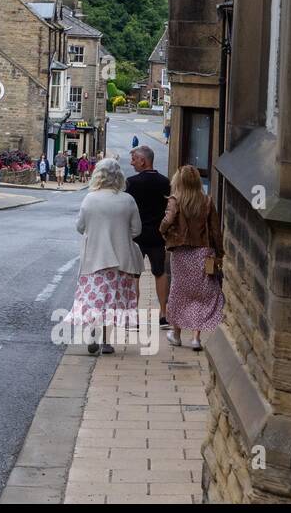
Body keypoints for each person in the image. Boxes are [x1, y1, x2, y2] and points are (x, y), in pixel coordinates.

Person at [67, 158, 144, 355]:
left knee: (95, 298)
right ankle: (106, 341)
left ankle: (93, 332)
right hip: (120, 259)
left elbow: (80, 227)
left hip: (94, 257)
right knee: (112, 301)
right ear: (119, 176)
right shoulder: (128, 200)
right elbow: (136, 230)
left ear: (98, 175)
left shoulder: (90, 198)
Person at [160, 164, 225, 351]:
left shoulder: (175, 200)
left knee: (179, 293)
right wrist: (219, 253)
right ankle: (196, 338)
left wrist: (164, 232)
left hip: (181, 253)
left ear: (178, 182)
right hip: (203, 253)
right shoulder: (207, 201)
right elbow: (215, 231)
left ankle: (176, 333)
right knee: (202, 295)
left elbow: (167, 221)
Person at [126, 144, 172, 328]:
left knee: (135, 276)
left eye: (134, 159)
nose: (132, 163)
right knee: (160, 273)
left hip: (136, 236)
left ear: (143, 161)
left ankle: (134, 315)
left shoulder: (132, 182)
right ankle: (164, 314)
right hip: (157, 235)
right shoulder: (165, 182)